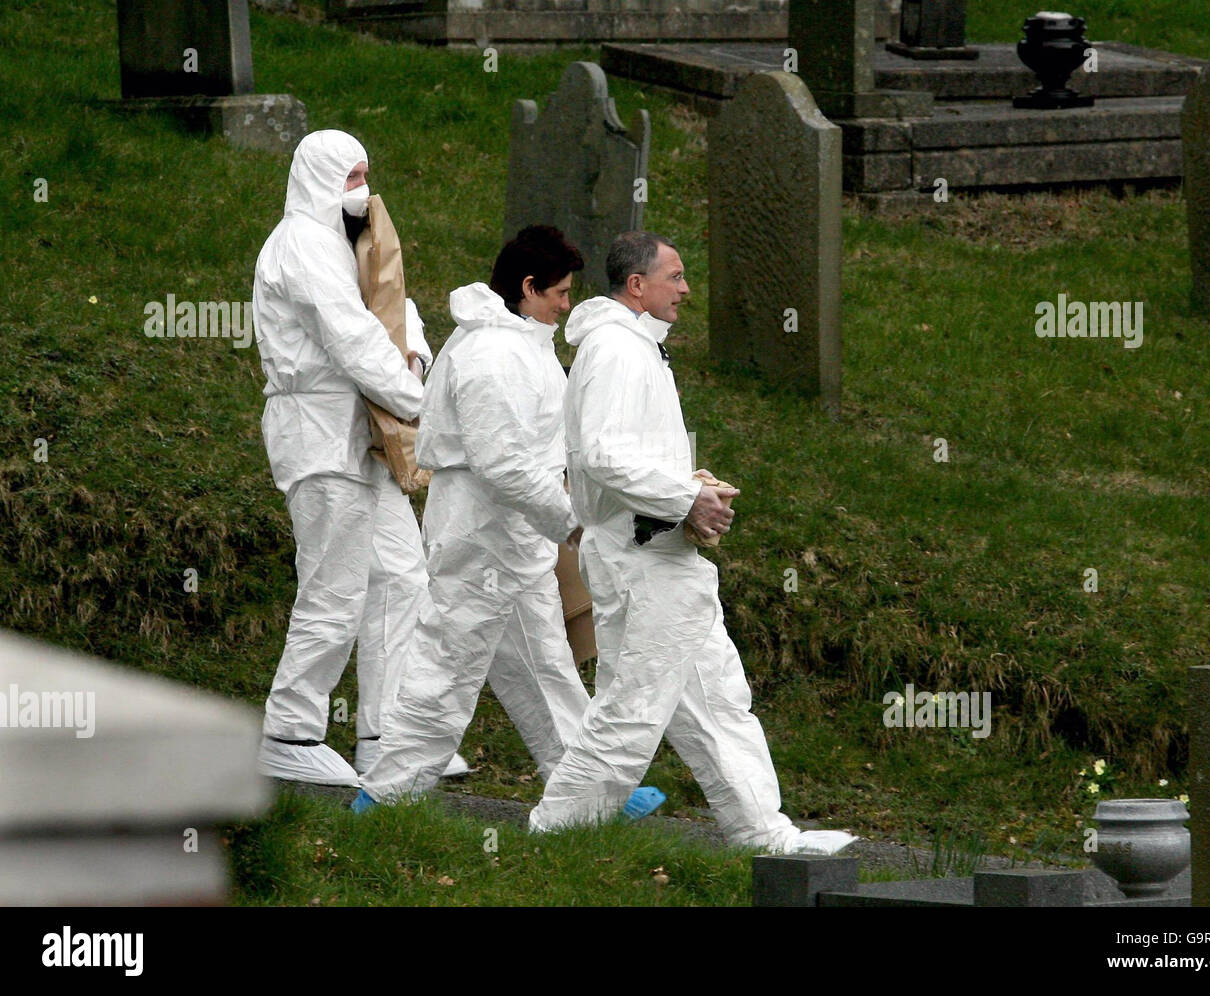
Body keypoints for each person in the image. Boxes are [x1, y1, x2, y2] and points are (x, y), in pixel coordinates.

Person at [527, 232, 857, 854]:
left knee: (719, 700)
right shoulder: (617, 349)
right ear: (637, 286)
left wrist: (691, 488)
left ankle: (763, 834)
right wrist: (685, 498)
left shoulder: (637, 347)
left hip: (661, 556)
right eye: (674, 277)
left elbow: (624, 457)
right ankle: (556, 832)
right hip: (642, 559)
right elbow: (602, 455)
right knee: (632, 707)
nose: (685, 289)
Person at [359, 226, 629, 809]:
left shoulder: (519, 343)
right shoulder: (492, 354)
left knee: (545, 665)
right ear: (528, 288)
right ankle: (387, 794)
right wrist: (571, 521)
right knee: (448, 665)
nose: (566, 304)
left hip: (514, 533)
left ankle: (586, 789)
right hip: (480, 534)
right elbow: (502, 463)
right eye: (559, 292)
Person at [251, 129, 464, 786]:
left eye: (366, 174)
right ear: (319, 178)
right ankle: (289, 731)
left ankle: (387, 735)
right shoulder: (301, 244)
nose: (363, 189)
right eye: (350, 177)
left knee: (401, 579)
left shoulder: (349, 242)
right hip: (319, 433)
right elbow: (352, 338)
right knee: (334, 588)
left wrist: (416, 363)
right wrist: (422, 402)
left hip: (365, 435)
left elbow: (395, 309)